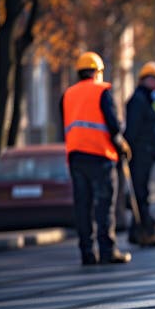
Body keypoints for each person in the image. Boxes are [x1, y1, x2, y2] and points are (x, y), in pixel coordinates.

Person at [61, 52, 132, 265]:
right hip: (100, 156)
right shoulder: (102, 91)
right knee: (104, 205)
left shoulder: (68, 95)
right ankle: (107, 250)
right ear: (98, 72)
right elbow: (113, 124)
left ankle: (87, 253)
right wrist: (120, 143)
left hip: (75, 158)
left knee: (82, 206)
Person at [124, 61, 155, 246]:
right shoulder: (138, 100)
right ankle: (145, 231)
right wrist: (130, 152)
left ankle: (137, 232)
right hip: (140, 154)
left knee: (141, 192)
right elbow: (133, 130)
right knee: (140, 193)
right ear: (146, 79)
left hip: (147, 153)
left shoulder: (150, 99)